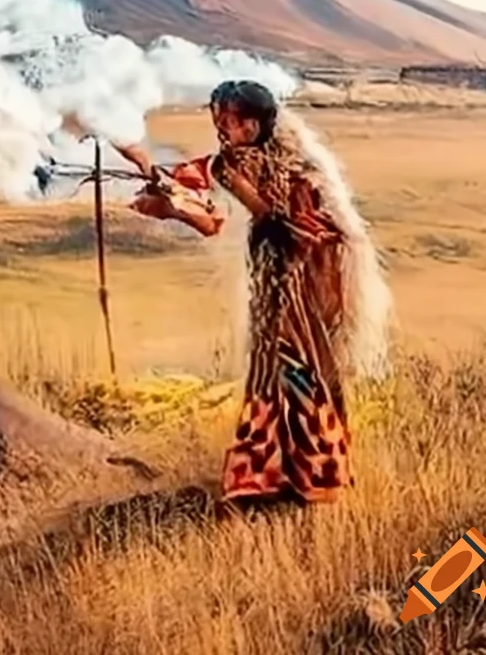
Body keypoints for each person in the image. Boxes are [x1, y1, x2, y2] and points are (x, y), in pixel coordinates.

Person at [116, 79, 354, 506]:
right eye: (218, 119)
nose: (223, 127)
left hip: (292, 291)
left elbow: (255, 212)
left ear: (254, 124)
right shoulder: (264, 160)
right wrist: (152, 175)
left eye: (231, 120)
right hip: (288, 288)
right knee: (286, 374)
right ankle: (292, 476)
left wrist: (166, 194)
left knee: (291, 372)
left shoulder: (252, 165)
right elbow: (201, 196)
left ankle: (300, 476)